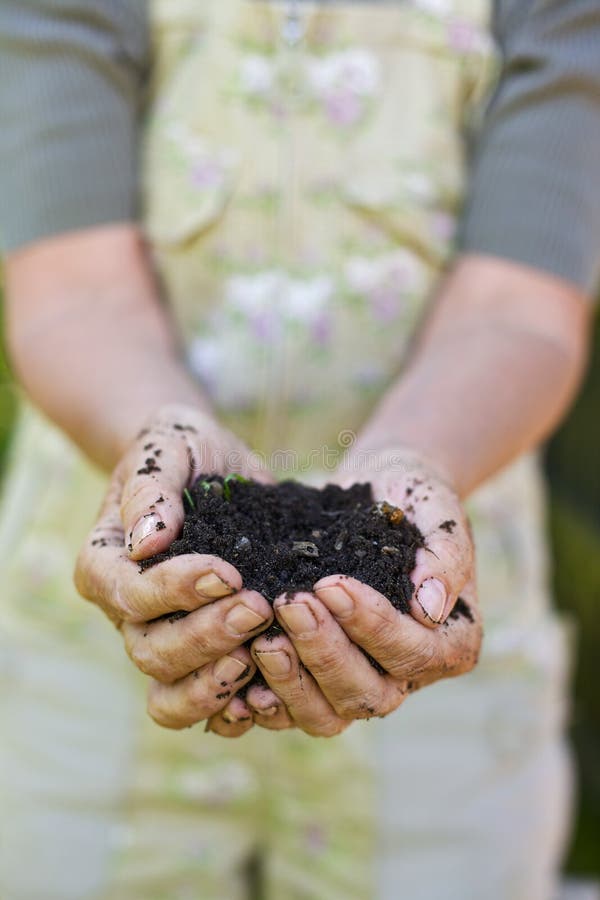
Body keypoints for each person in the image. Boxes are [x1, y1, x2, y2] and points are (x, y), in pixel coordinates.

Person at [0, 1, 599, 898]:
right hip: (98, 631)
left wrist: (413, 458)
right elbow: (71, 292)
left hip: (434, 629)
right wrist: (157, 428)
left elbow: (521, 306)